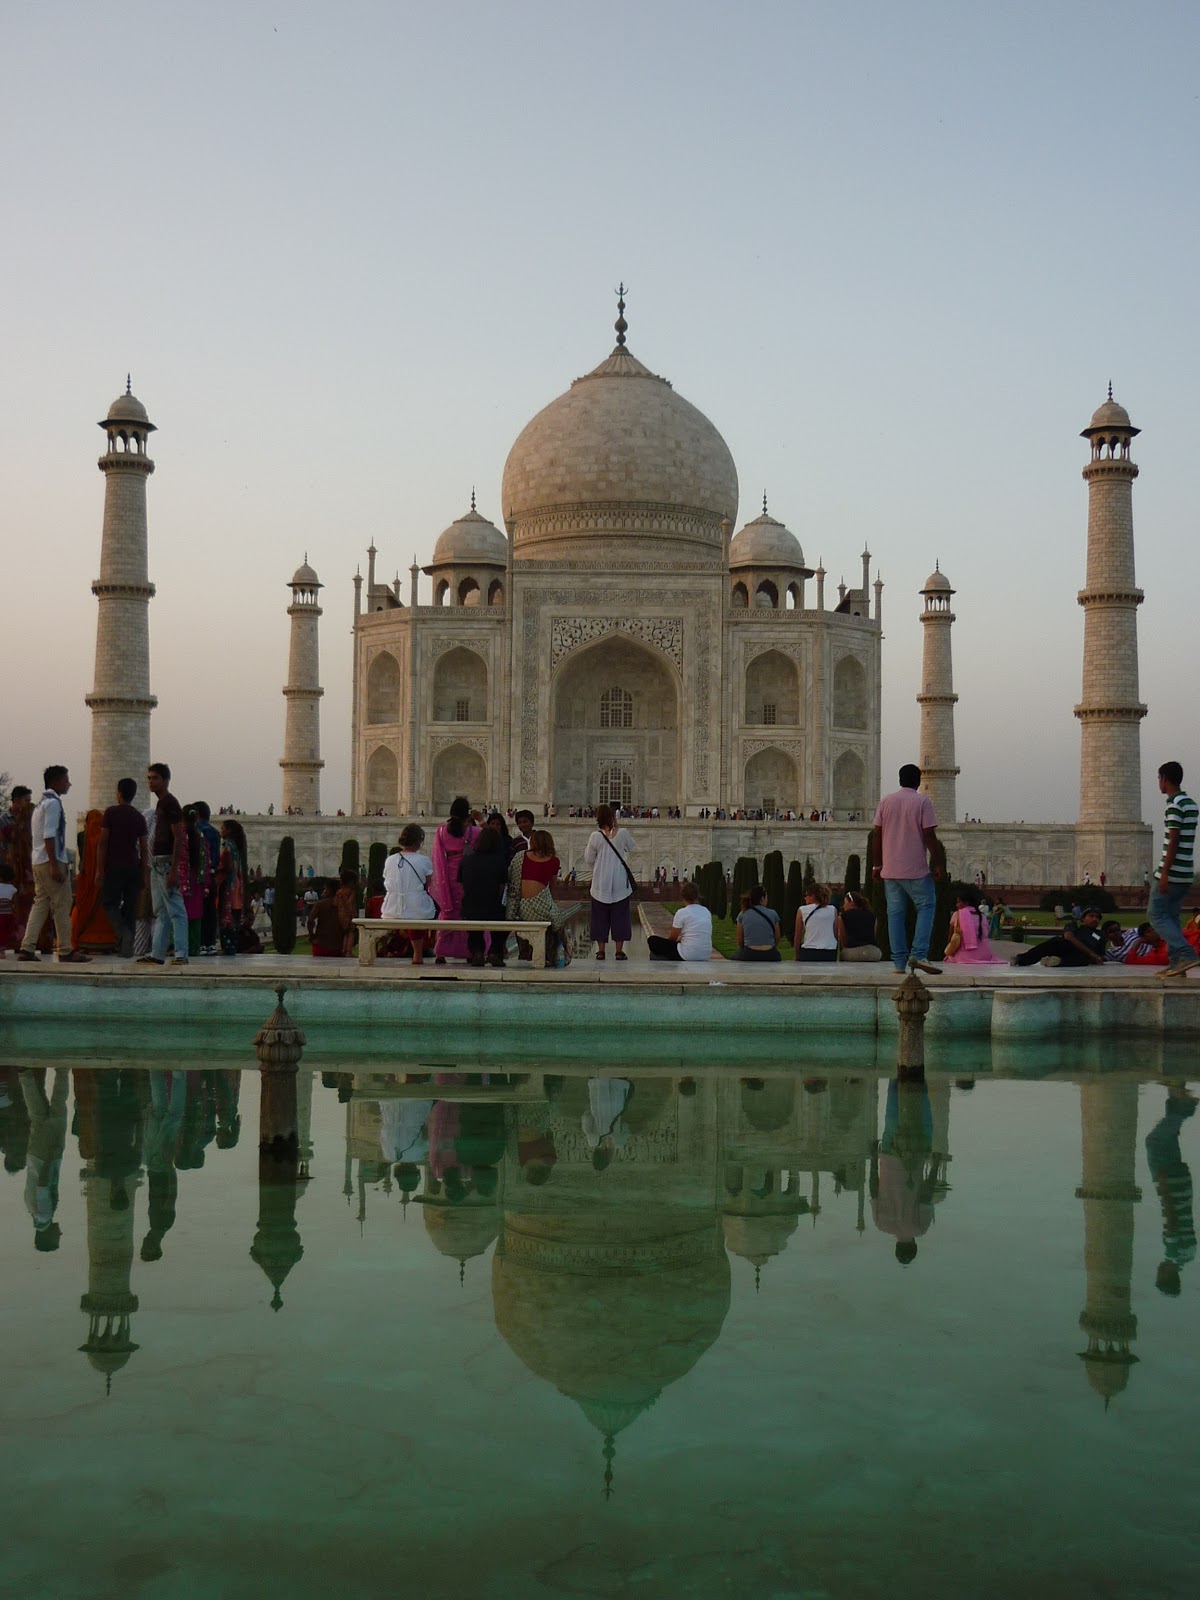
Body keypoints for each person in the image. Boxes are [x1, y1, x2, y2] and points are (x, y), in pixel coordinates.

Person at [871, 763, 942, 976]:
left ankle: (899, 964)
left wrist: (876, 864)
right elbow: (929, 835)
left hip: (890, 870)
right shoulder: (922, 801)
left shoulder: (886, 802)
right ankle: (919, 954)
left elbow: (876, 834)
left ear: (900, 779)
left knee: (895, 914)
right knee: (927, 905)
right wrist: (938, 862)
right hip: (915, 869)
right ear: (918, 781)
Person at [17, 766, 89, 963]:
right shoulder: (53, 804)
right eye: (66, 781)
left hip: (38, 860)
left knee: (41, 903)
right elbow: (49, 835)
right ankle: (66, 949)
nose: (69, 784)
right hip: (51, 860)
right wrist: (54, 864)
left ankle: (27, 947)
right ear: (56, 782)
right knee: (62, 904)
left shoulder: (41, 804)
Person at [1145, 1084, 1197, 1296]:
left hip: (1184, 1186)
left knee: (1169, 1138)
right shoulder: (1173, 1252)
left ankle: (1176, 1096)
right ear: (1167, 1276)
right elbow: (1172, 1220)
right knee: (1154, 1142)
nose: (1158, 1270)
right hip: (1171, 1184)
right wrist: (1163, 1185)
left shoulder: (1189, 1255)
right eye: (1160, 1274)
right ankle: (1185, 1108)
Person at [1150, 761, 1200, 978]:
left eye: (1159, 778)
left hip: (1172, 872)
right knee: (1171, 917)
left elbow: (1173, 840)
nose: (1159, 783)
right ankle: (1177, 964)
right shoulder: (1191, 803)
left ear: (1164, 779)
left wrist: (1165, 874)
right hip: (1186, 872)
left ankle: (1186, 954)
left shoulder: (1174, 805)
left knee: (1156, 915)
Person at [138, 762, 189, 967]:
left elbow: (179, 837)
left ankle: (181, 954)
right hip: (157, 863)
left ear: (166, 780)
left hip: (167, 864)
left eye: (155, 778)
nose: (151, 782)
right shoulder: (161, 804)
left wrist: (174, 870)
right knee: (160, 911)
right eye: (149, 778)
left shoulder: (170, 803)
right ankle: (158, 953)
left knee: (176, 910)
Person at [95, 778, 149, 957]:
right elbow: (143, 847)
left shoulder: (110, 813)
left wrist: (99, 870)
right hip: (133, 867)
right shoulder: (139, 817)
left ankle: (123, 933)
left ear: (118, 793)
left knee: (109, 902)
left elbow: (103, 843)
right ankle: (127, 950)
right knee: (130, 908)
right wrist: (143, 872)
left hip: (114, 866)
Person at [510, 828, 575, 965]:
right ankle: (557, 955)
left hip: (521, 908)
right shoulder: (553, 861)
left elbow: (512, 882)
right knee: (556, 921)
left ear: (533, 842)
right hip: (539, 907)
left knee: (552, 917)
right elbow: (551, 888)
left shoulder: (520, 857)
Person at [583, 804, 636, 961]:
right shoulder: (623, 833)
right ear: (613, 818)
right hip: (620, 884)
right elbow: (631, 846)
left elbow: (589, 859)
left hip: (600, 884)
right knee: (620, 917)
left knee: (600, 918)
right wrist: (617, 829)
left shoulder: (595, 836)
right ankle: (619, 951)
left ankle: (601, 951)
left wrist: (600, 865)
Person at [431, 796, 479, 963]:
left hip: (449, 877)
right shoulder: (474, 832)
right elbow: (489, 840)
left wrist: (440, 880)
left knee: (448, 911)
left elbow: (437, 857)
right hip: (469, 876)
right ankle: (469, 951)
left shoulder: (442, 831)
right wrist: (480, 820)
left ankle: (440, 952)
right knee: (468, 913)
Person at [382, 824, 437, 965]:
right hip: (417, 908)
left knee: (412, 911)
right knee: (419, 912)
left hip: (391, 908)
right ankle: (418, 955)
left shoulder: (390, 860)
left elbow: (387, 880)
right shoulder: (424, 860)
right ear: (419, 841)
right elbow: (428, 884)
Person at [459, 824, 509, 967]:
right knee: (503, 917)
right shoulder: (499, 861)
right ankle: (494, 952)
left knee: (473, 922)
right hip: (492, 907)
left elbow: (463, 885)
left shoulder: (466, 860)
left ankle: (477, 952)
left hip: (470, 908)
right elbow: (501, 887)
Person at [1011, 905, 1107, 968]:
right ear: (1082, 918)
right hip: (1069, 948)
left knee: (1084, 959)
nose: (1095, 919)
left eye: (1097, 917)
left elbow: (1100, 955)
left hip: (1080, 957)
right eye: (1091, 916)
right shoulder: (1074, 926)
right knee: (1055, 941)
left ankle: (1057, 961)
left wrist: (1096, 957)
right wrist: (1091, 953)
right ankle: (1021, 959)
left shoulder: (1100, 935)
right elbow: (1069, 937)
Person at [647, 880, 713, 961]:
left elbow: (673, 937)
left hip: (687, 955)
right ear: (697, 895)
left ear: (682, 896)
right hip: (705, 955)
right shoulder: (706, 911)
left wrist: (666, 945)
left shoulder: (682, 912)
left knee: (652, 940)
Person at [0, 786, 34, 942]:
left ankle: (22, 939)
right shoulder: (3, 820)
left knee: (24, 903)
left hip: (25, 869)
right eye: (27, 801)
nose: (29, 804)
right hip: (7, 870)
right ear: (17, 801)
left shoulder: (30, 820)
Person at [941, 885, 1005, 965]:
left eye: (958, 902)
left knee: (949, 958)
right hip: (985, 954)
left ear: (966, 903)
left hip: (966, 955)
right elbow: (986, 934)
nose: (957, 905)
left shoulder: (958, 914)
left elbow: (950, 937)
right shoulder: (982, 916)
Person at [192, 801, 222, 955]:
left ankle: (201, 943)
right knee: (210, 910)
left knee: (198, 909)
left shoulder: (195, 830)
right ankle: (210, 944)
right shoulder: (215, 832)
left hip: (198, 876)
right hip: (211, 875)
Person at [215, 818, 247, 955]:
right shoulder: (236, 846)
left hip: (227, 885)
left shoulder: (226, 845)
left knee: (225, 917)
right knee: (233, 918)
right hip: (236, 885)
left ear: (229, 831)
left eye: (223, 828)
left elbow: (225, 865)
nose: (221, 830)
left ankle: (227, 947)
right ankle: (232, 947)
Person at [734, 884, 782, 961]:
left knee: (734, 956)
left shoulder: (742, 914)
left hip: (750, 953)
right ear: (762, 899)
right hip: (770, 954)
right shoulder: (773, 913)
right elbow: (777, 938)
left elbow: (740, 941)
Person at [796, 883, 838, 963]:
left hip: (809, 952)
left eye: (806, 895)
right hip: (829, 952)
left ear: (812, 896)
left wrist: (796, 955)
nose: (805, 898)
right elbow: (835, 933)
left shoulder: (802, 910)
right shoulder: (833, 910)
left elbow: (798, 936)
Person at [836, 889, 882, 962]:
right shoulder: (872, 916)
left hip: (854, 953)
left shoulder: (843, 917)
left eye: (845, 903)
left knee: (843, 953)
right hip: (873, 953)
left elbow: (844, 942)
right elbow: (874, 935)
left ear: (851, 903)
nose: (844, 906)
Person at [307, 881, 346, 957]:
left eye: (325, 889)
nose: (324, 891)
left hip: (320, 944)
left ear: (330, 890)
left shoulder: (320, 904)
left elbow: (310, 921)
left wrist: (312, 936)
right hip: (337, 946)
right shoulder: (343, 905)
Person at [334, 868, 358, 956]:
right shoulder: (351, 892)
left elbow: (335, 903)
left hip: (340, 914)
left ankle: (343, 950)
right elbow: (350, 903)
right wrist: (353, 914)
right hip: (349, 915)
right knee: (351, 933)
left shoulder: (339, 892)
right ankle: (348, 951)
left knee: (344, 933)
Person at [0, 866, 17, 954]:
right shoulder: (13, 888)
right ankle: (4, 947)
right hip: (9, 915)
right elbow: (14, 903)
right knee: (6, 932)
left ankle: (1, 950)